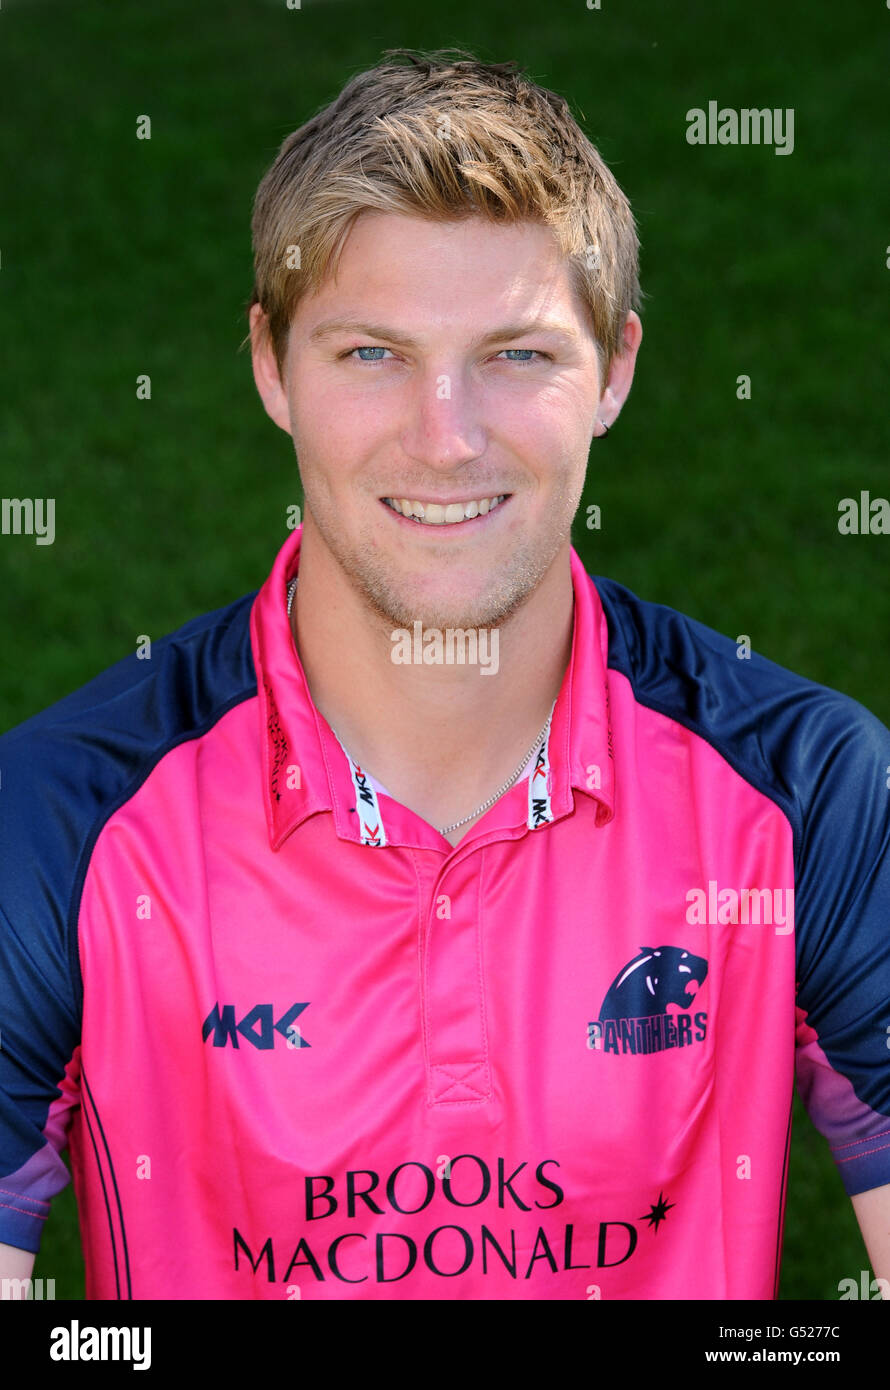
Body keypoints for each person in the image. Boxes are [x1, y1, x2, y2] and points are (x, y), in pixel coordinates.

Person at [1, 46, 889, 1301]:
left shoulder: (804, 796)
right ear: (270, 369)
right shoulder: (58, 822)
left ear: (615, 371)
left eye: (517, 355)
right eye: (370, 353)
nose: (445, 434)